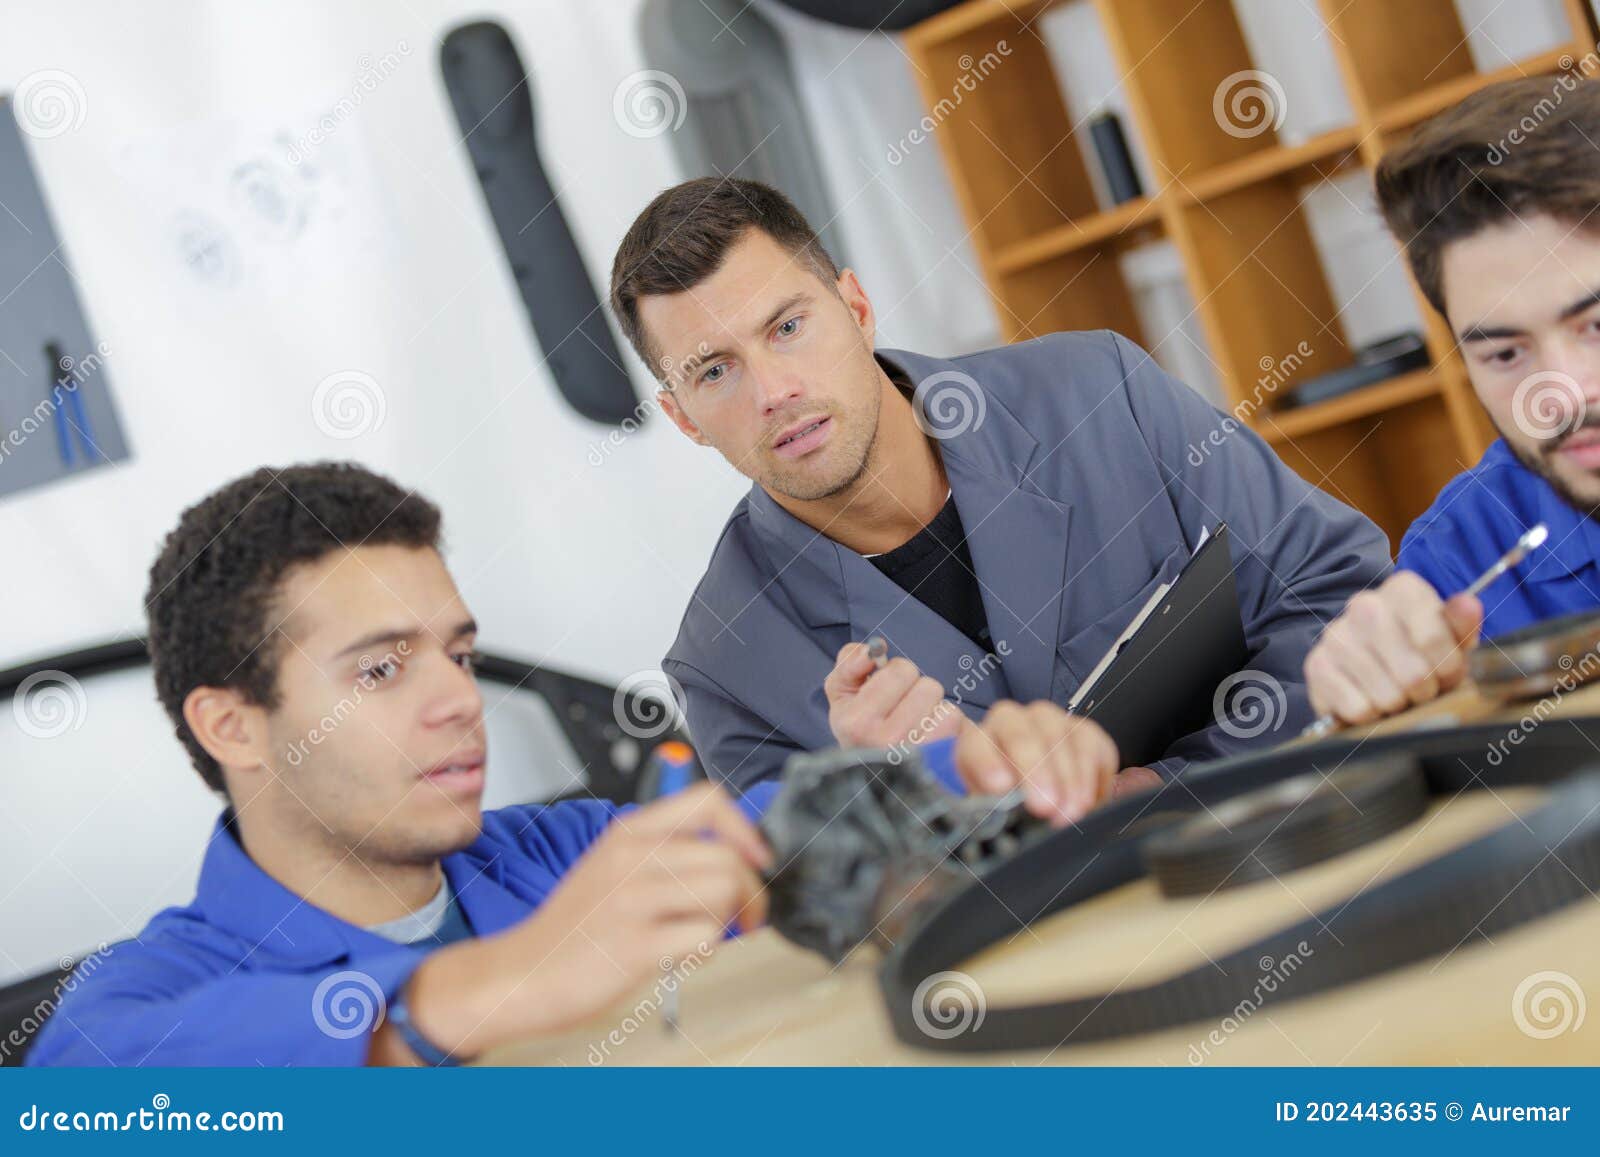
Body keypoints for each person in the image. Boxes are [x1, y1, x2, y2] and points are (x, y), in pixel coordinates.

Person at [27, 462, 1117, 1066]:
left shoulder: (562, 851)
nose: (460, 696)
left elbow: (773, 829)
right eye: (379, 670)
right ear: (233, 725)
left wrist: (967, 766)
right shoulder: (142, 997)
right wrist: (482, 988)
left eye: (457, 652)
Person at [608, 177, 1390, 812]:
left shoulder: (1100, 392)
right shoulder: (725, 661)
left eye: (787, 328)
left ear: (856, 308)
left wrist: (1162, 788)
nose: (775, 390)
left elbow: (1338, 590)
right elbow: (825, 913)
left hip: (1299, 840)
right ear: (683, 419)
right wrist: (900, 801)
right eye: (715, 371)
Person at [1305, 76, 1600, 726]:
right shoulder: (1462, 558)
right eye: (1505, 353)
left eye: (1596, 325)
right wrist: (1370, 679)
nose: (1562, 395)